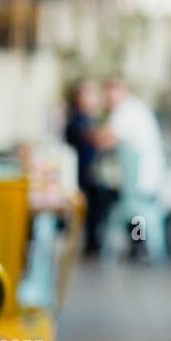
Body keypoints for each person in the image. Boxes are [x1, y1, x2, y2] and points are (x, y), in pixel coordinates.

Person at [63, 78, 111, 255]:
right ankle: (91, 246)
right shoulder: (77, 121)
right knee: (91, 209)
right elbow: (94, 139)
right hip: (82, 176)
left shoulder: (91, 119)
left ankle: (95, 244)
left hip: (91, 175)